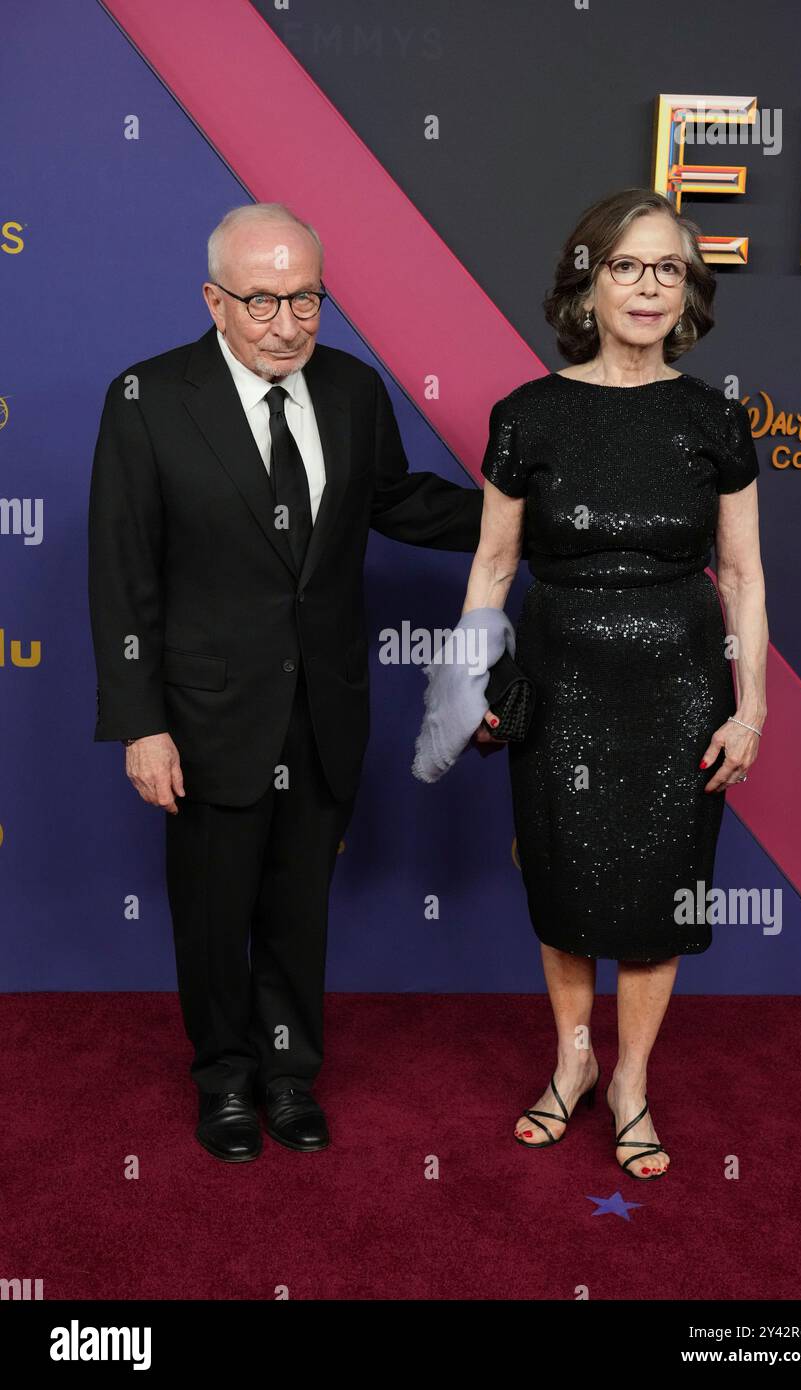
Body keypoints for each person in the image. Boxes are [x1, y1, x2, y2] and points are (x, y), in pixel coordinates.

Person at [88, 202, 483, 1162]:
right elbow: (122, 571)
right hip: (207, 715)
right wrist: (142, 725)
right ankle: (224, 1081)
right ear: (215, 301)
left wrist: (528, 514)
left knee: (299, 913)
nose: (287, 322)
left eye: (306, 298)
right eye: (262, 300)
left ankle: (289, 1076)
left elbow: (398, 502)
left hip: (322, 709)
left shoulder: (351, 389)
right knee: (217, 917)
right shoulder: (147, 398)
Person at [440, 188, 767, 1179]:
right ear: (588, 277)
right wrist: (468, 685)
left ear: (688, 290)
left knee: (656, 898)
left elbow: (743, 574)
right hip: (559, 684)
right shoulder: (527, 415)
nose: (647, 286)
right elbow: (493, 567)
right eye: (627, 265)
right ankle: (570, 1063)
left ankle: (630, 1082)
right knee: (568, 885)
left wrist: (750, 706)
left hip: (678, 693)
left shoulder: (712, 418)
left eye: (667, 268)